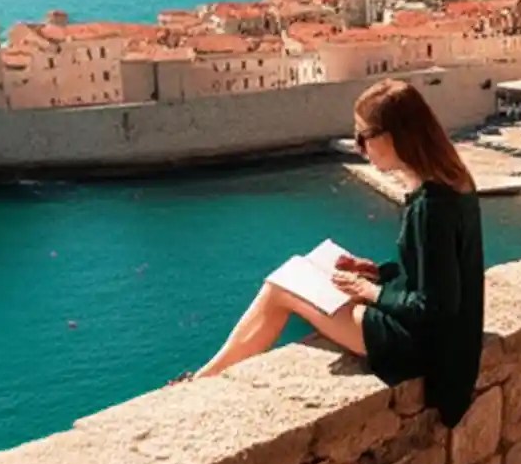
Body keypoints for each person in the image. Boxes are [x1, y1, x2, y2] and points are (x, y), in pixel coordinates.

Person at [191, 79, 485, 427]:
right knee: (296, 276)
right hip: (446, 345)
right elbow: (434, 273)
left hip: (419, 349)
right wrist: (376, 272)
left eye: (364, 137)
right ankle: (206, 378)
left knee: (282, 288)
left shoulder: (431, 206)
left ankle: (202, 383)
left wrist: (370, 293)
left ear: (392, 135)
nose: (360, 148)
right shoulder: (454, 182)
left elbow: (436, 306)